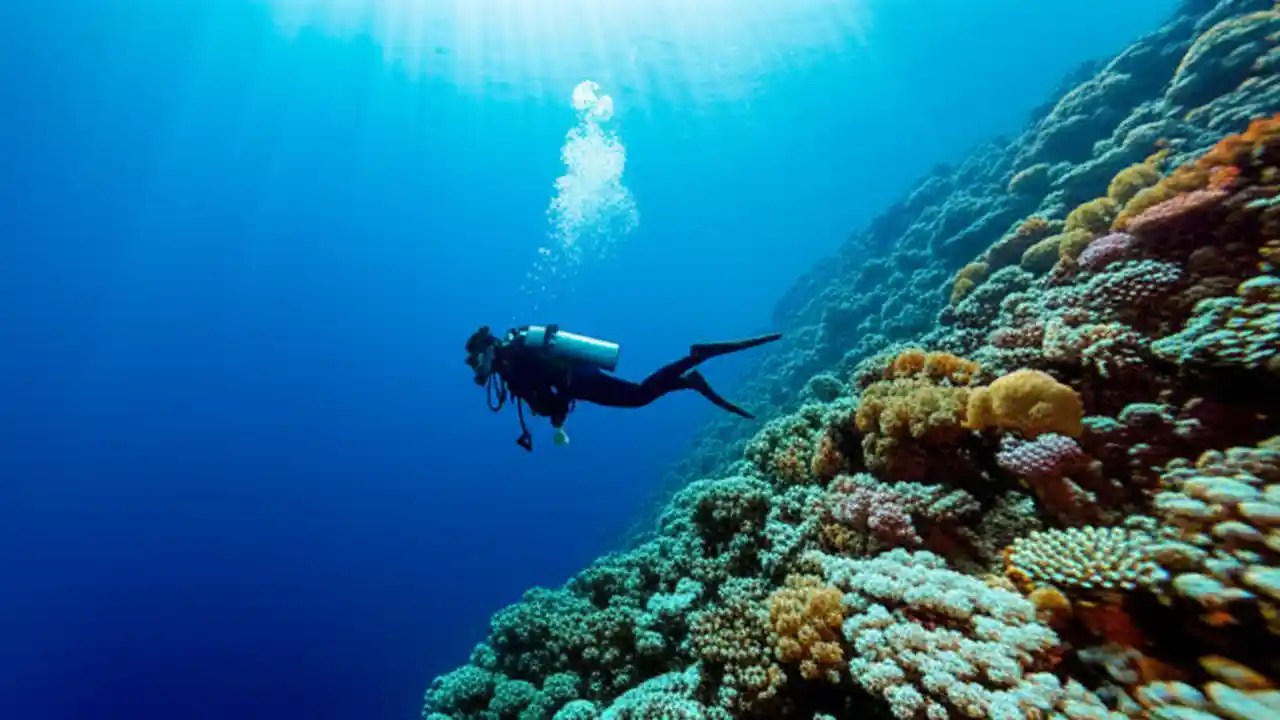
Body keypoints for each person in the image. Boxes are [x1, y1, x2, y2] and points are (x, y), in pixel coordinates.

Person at [464, 324, 781, 451]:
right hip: (579, 377)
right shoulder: (513, 356)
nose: (477, 370)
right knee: (638, 395)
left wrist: (556, 419)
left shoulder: (511, 364)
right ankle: (688, 378)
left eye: (474, 362)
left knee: (638, 396)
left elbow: (548, 400)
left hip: (580, 381)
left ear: (485, 353)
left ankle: (693, 359)